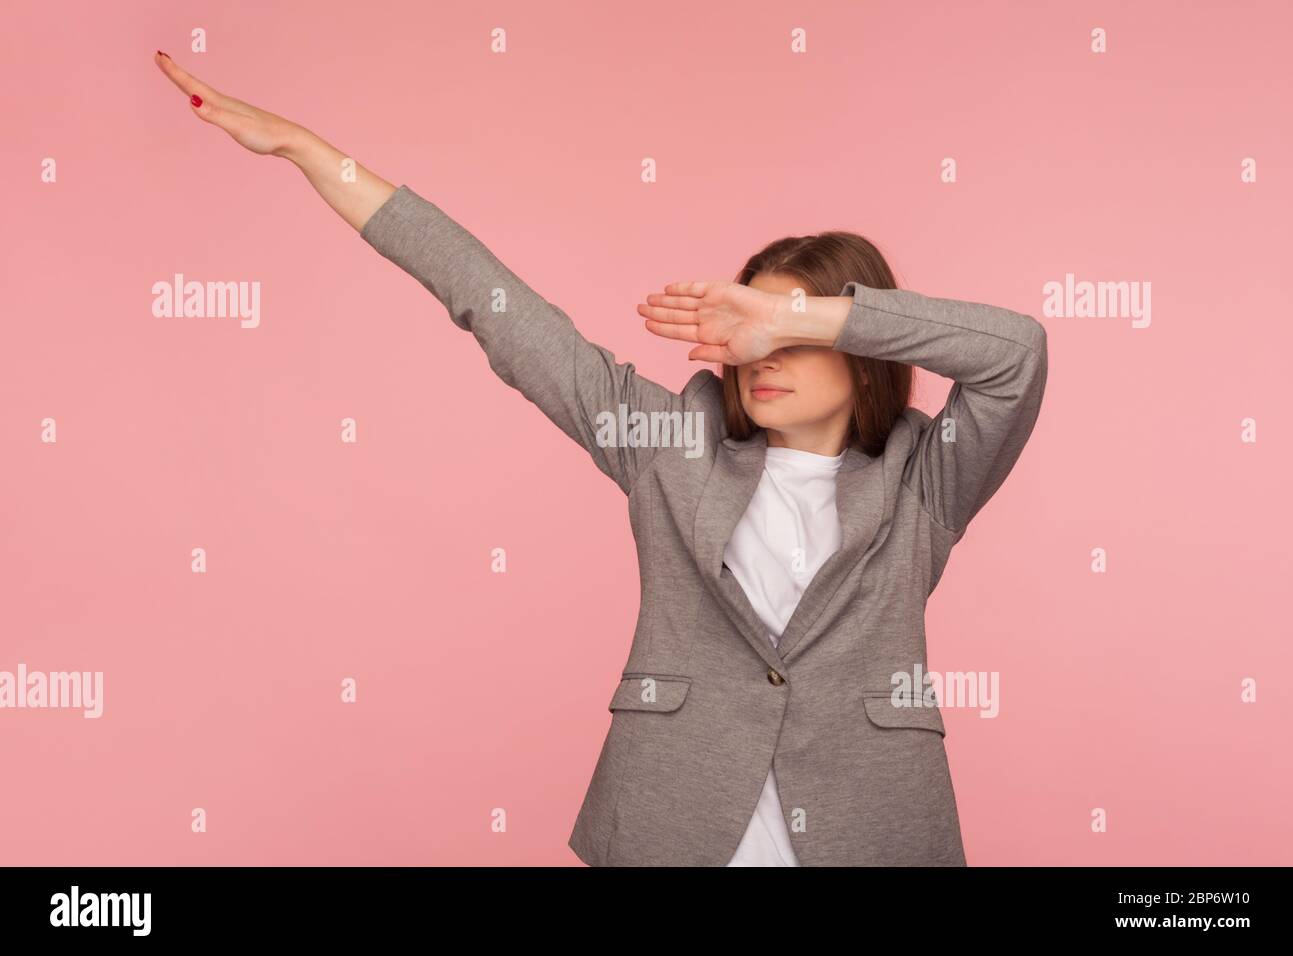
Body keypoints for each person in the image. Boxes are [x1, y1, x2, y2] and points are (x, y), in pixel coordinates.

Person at [154, 51, 1048, 866]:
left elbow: (1017, 354)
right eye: (747, 333)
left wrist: (807, 310)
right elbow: (496, 307)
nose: (763, 356)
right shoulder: (668, 446)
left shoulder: (926, 479)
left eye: (791, 337)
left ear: (859, 353)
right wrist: (312, 153)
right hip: (675, 826)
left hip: (872, 830)